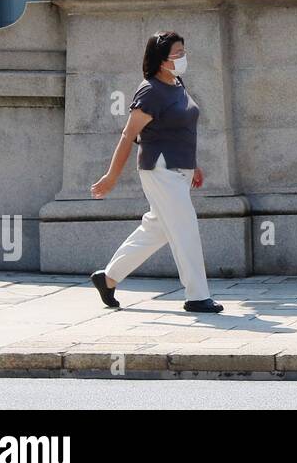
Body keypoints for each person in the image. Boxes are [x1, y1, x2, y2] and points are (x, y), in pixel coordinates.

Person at [89, 31, 223, 314]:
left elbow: (181, 127)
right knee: (185, 227)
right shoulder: (150, 91)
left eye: (184, 51)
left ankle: (108, 278)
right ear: (162, 60)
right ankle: (198, 296)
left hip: (180, 167)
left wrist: (193, 164)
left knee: (156, 229)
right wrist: (111, 177)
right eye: (177, 53)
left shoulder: (177, 83)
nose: (183, 57)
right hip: (160, 169)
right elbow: (128, 136)